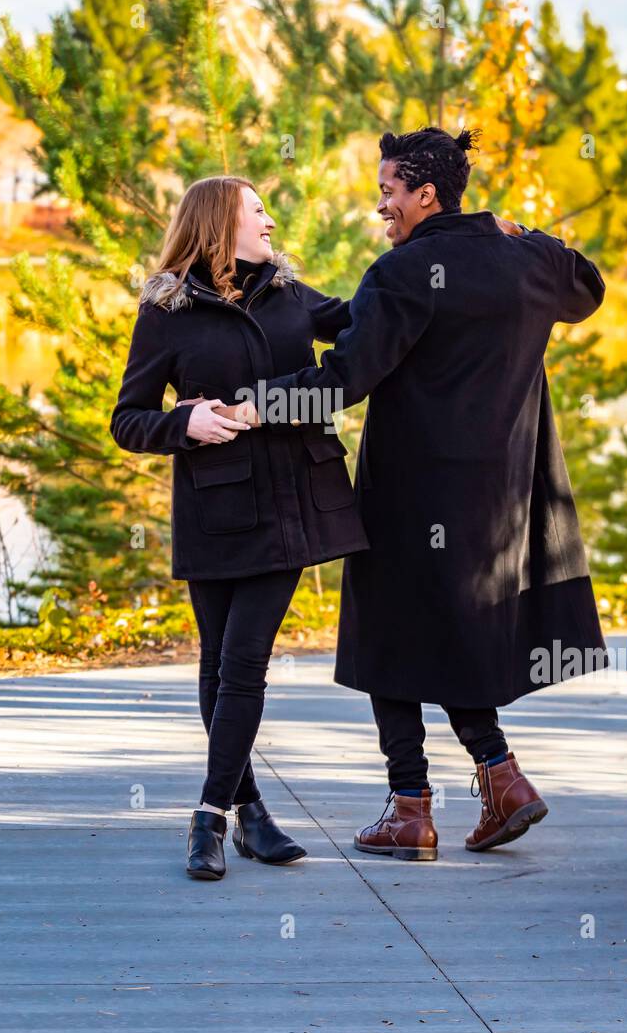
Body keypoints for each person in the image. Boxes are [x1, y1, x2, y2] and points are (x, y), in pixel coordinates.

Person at [222, 127, 607, 861]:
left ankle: (411, 807)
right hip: (505, 493)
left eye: (388, 192)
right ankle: (500, 778)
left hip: (412, 487)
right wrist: (518, 231)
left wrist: (252, 404)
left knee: (385, 635)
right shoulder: (528, 261)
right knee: (450, 631)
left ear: (425, 193)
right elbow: (587, 287)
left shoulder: (404, 272)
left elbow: (340, 382)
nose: (381, 209)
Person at [110, 176, 368, 879]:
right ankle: (252, 812)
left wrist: (431, 275)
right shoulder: (166, 310)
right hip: (216, 508)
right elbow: (127, 420)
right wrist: (182, 423)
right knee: (217, 660)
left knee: (245, 659)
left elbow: (367, 325)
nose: (271, 221)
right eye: (258, 211)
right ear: (221, 224)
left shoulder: (289, 293)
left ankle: (209, 818)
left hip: (295, 503)